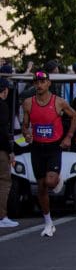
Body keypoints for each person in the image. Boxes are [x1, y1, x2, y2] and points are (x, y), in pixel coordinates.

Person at [21, 70, 76, 237]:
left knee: (50, 182)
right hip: (37, 147)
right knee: (41, 187)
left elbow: (75, 116)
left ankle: (58, 180)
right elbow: (25, 124)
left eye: (42, 82)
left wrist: (68, 137)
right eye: (36, 82)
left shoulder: (59, 102)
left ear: (48, 83)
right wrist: (26, 133)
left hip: (54, 146)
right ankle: (48, 222)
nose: (39, 85)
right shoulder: (28, 103)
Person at [0, 78, 16, 228]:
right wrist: (10, 151)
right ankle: (2, 216)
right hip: (1, 150)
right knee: (4, 182)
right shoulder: (3, 106)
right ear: (4, 90)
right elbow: (3, 132)